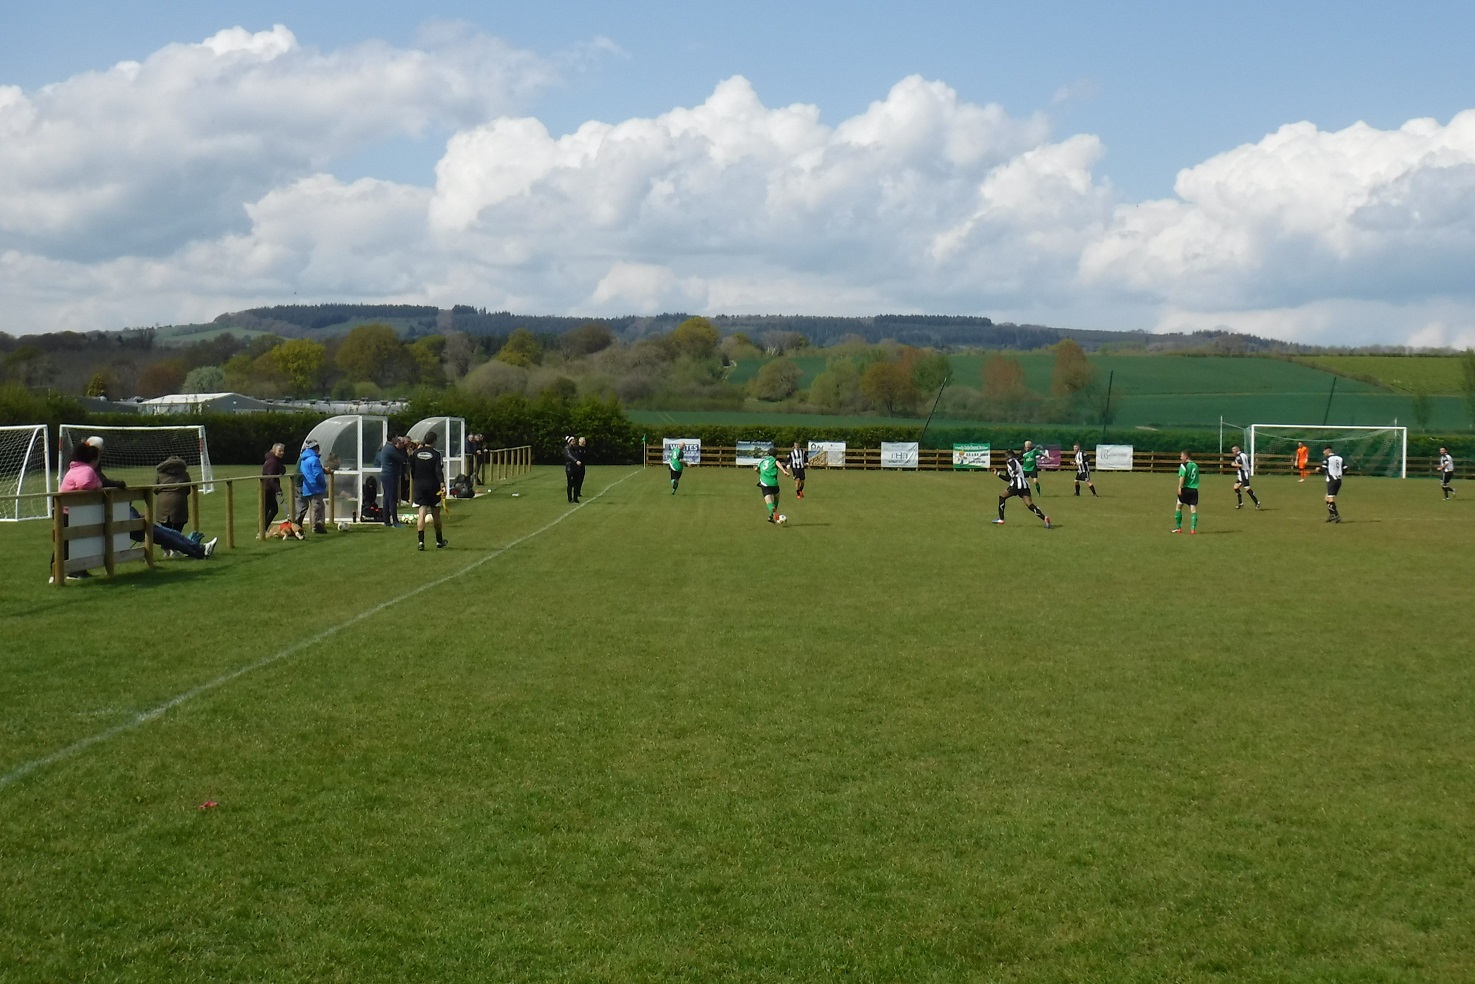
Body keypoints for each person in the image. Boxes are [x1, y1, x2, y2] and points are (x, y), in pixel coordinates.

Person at [51, 442, 103, 581]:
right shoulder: (86, 470)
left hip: (68, 511)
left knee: (72, 542)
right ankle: (58, 572)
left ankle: (77, 570)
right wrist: (97, 485)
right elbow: (84, 484)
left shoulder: (75, 469)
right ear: (94, 459)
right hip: (69, 512)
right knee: (65, 543)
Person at [992, 448, 1051, 528]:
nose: (1005, 458)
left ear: (1009, 456)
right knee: (1029, 505)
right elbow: (1008, 478)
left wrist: (1013, 470)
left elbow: (1013, 467)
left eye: (1006, 456)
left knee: (1002, 497)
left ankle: (1001, 519)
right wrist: (998, 474)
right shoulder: (1013, 463)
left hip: (1016, 485)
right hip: (1025, 485)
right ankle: (1044, 518)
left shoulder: (1011, 461)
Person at [409, 430, 447, 550]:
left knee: (422, 512)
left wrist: (417, 481)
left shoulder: (416, 453)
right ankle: (439, 540)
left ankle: (421, 542)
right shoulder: (436, 454)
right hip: (433, 486)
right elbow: (438, 471)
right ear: (434, 441)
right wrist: (442, 485)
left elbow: (412, 469)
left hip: (420, 486)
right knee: (436, 514)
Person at [295, 438, 328, 534]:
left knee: (315, 507)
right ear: (316, 449)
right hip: (316, 487)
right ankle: (316, 526)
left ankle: (316, 524)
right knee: (317, 507)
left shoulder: (303, 459)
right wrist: (323, 483)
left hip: (307, 486)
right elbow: (317, 474)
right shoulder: (314, 459)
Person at [754, 445, 792, 523]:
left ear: (768, 454)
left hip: (764, 483)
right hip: (774, 483)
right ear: (776, 455)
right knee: (777, 498)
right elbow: (778, 464)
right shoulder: (774, 460)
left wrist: (761, 473)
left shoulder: (762, 461)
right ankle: (771, 516)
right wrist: (784, 472)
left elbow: (756, 469)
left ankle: (773, 510)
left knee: (768, 500)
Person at [154, 455, 192, 533]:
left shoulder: (160, 475)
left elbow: (155, 489)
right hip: (179, 504)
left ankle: (166, 544)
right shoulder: (185, 474)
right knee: (177, 532)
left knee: (165, 533)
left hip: (163, 505)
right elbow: (188, 490)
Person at [377, 436, 409, 527]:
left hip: (387, 475)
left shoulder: (387, 448)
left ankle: (386, 520)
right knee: (392, 498)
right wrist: (403, 449)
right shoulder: (390, 449)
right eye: (396, 438)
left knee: (387, 497)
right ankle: (395, 521)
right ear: (393, 438)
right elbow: (402, 459)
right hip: (390, 475)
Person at [1173, 449, 1200, 534]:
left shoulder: (1183, 465)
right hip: (1194, 489)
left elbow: (1182, 477)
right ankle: (1193, 529)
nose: (1180, 457)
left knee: (1178, 507)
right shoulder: (1195, 466)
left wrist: (1179, 487)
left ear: (1186, 456)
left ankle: (1178, 528)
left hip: (1185, 489)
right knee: (1193, 510)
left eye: (1182, 456)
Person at [262, 442, 287, 533]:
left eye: (283, 451)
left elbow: (282, 470)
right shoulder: (272, 462)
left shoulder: (276, 460)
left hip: (270, 488)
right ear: (274, 450)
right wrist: (278, 490)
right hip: (267, 489)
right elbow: (271, 478)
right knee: (270, 510)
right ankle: (262, 530)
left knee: (271, 509)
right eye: (279, 451)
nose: (282, 453)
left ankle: (263, 530)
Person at [1229, 445, 1261, 510]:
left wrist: (1233, 464)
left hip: (1243, 474)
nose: (1233, 452)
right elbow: (1249, 464)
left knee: (1247, 489)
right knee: (1236, 487)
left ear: (1237, 450)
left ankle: (1257, 502)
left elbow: (1240, 465)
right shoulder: (1244, 454)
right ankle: (1240, 503)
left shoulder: (1238, 456)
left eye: (1234, 450)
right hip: (1242, 474)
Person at [1318, 445, 1344, 523]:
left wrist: (1318, 469)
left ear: (1328, 450)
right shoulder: (1340, 458)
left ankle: (1336, 515)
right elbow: (1345, 468)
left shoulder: (1327, 459)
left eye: (1324, 451)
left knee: (1330, 498)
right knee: (1327, 498)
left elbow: (1323, 469)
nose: (1323, 452)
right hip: (1338, 480)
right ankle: (1332, 514)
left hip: (1332, 480)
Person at [572, 436, 589, 501]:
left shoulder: (585, 449)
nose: (585, 442)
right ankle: (576, 492)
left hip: (582, 466)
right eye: (583, 441)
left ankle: (578, 492)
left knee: (581, 479)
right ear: (580, 441)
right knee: (577, 480)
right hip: (577, 466)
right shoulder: (576, 448)